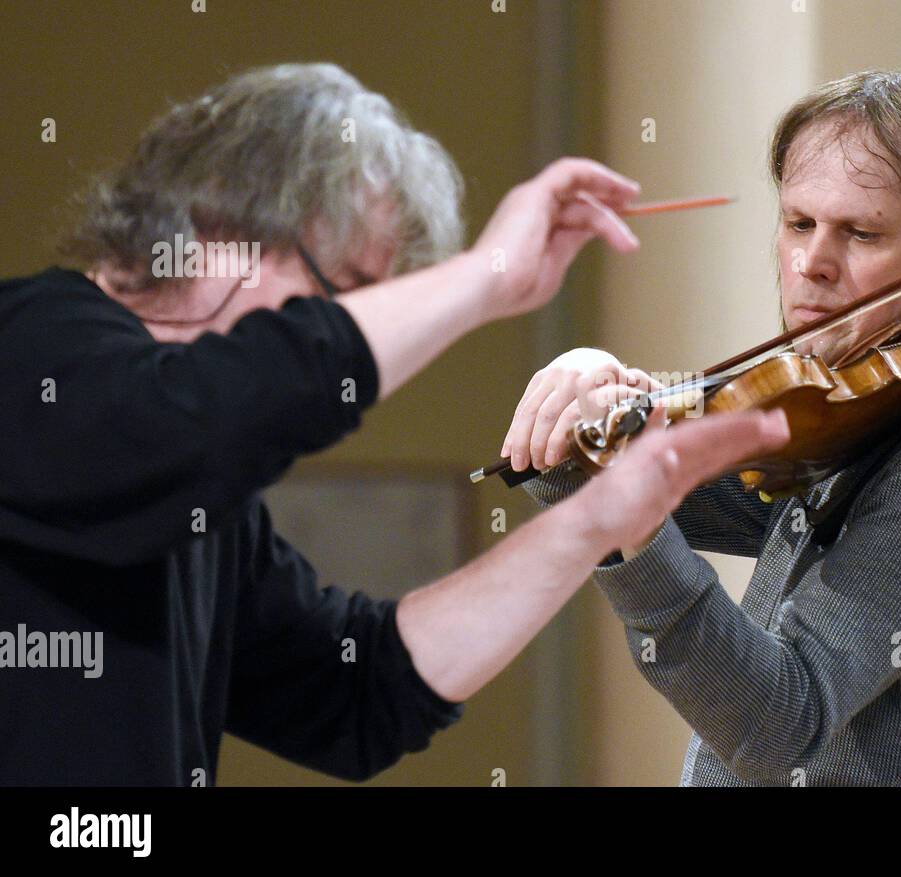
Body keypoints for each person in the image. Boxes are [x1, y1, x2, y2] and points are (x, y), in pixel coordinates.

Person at [0, 63, 788, 786]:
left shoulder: (204, 493)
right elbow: (236, 400)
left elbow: (357, 689)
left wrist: (593, 521)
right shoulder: (31, 351)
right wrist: (485, 281)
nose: (347, 342)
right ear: (220, 214)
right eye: (342, 292)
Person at [504, 70, 901, 786]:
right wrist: (584, 402)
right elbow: (587, 497)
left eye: (860, 233)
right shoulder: (852, 421)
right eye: (798, 223)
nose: (811, 264)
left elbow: (776, 724)